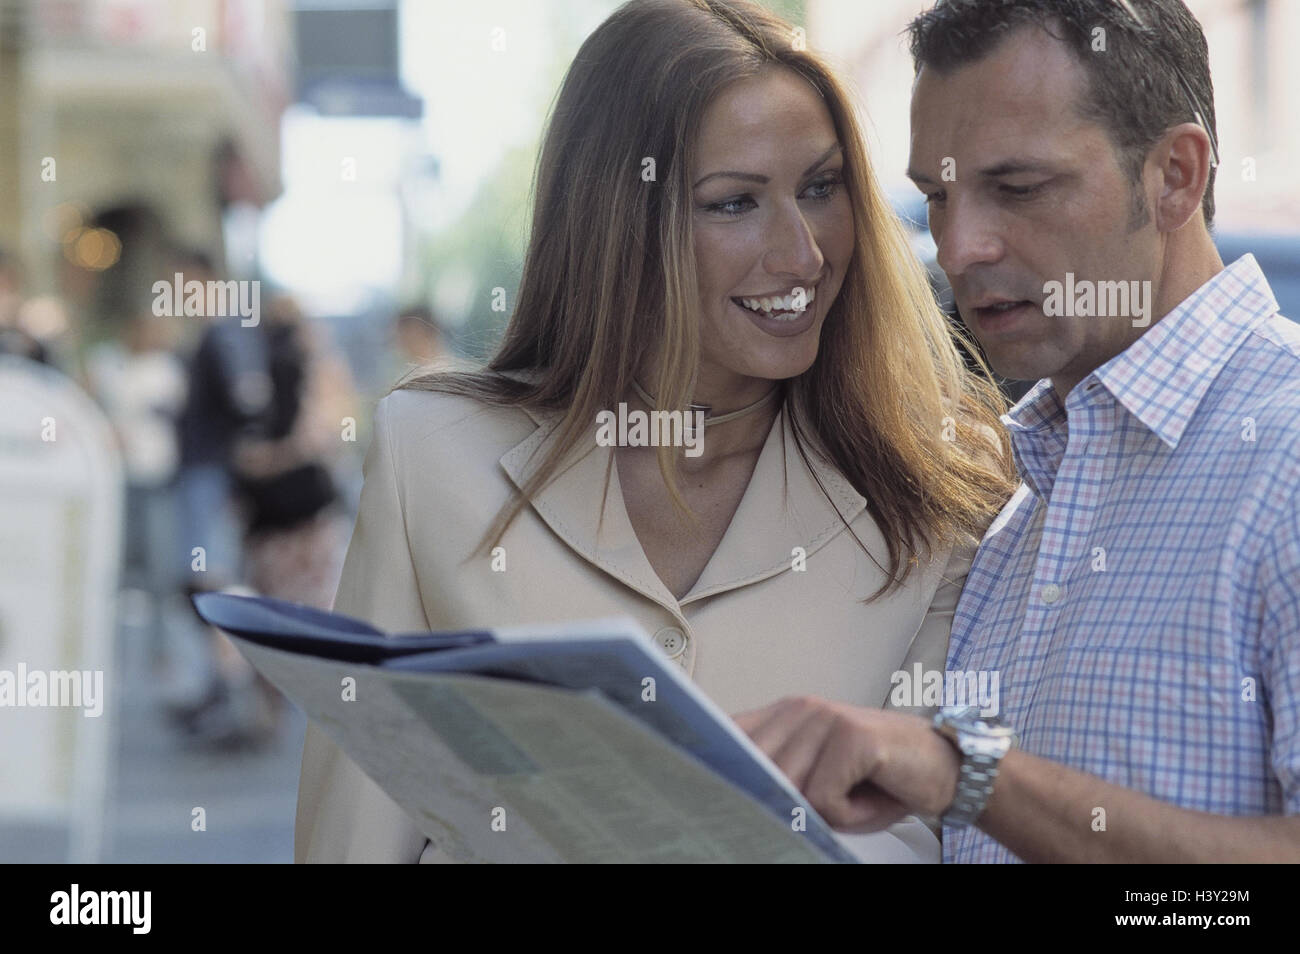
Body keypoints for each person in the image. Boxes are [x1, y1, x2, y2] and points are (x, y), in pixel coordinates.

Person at [295, 0, 1013, 863]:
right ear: (616, 224)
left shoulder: (937, 481)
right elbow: (357, 834)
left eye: (820, 189)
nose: (803, 254)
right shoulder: (431, 453)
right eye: (735, 203)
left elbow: (924, 834)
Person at [738, 0, 1300, 863]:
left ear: (1176, 177)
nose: (959, 247)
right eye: (938, 197)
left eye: (1017, 188)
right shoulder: (1013, 514)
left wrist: (966, 777)